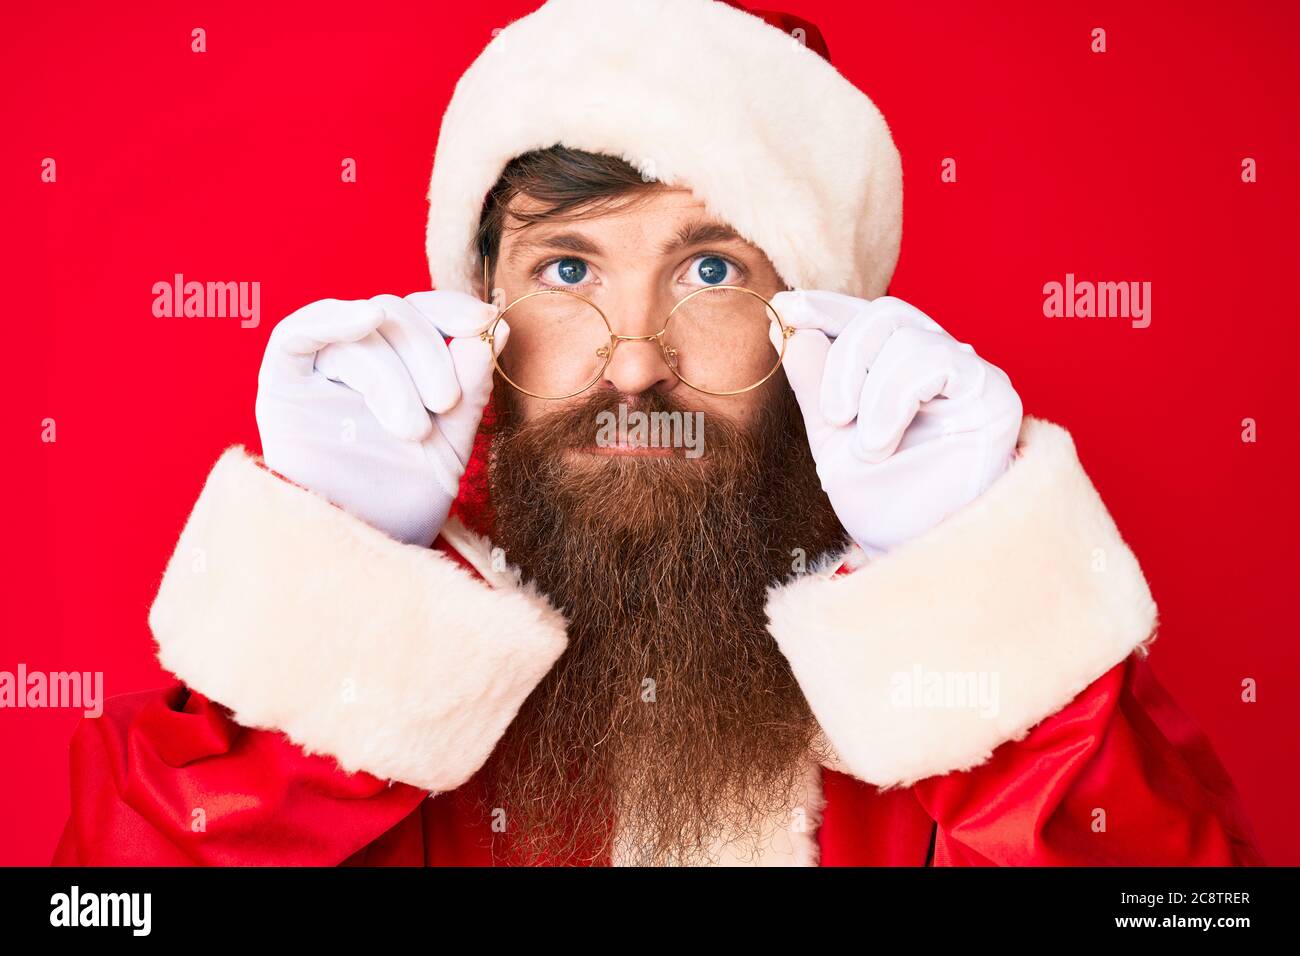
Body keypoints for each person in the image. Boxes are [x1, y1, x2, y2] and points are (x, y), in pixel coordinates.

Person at [53, 0, 1262, 866]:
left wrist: (974, 605)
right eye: (566, 265)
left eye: (712, 268)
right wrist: (331, 616)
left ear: (817, 320)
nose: (632, 359)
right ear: (483, 313)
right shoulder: (351, 689)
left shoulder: (953, 677)